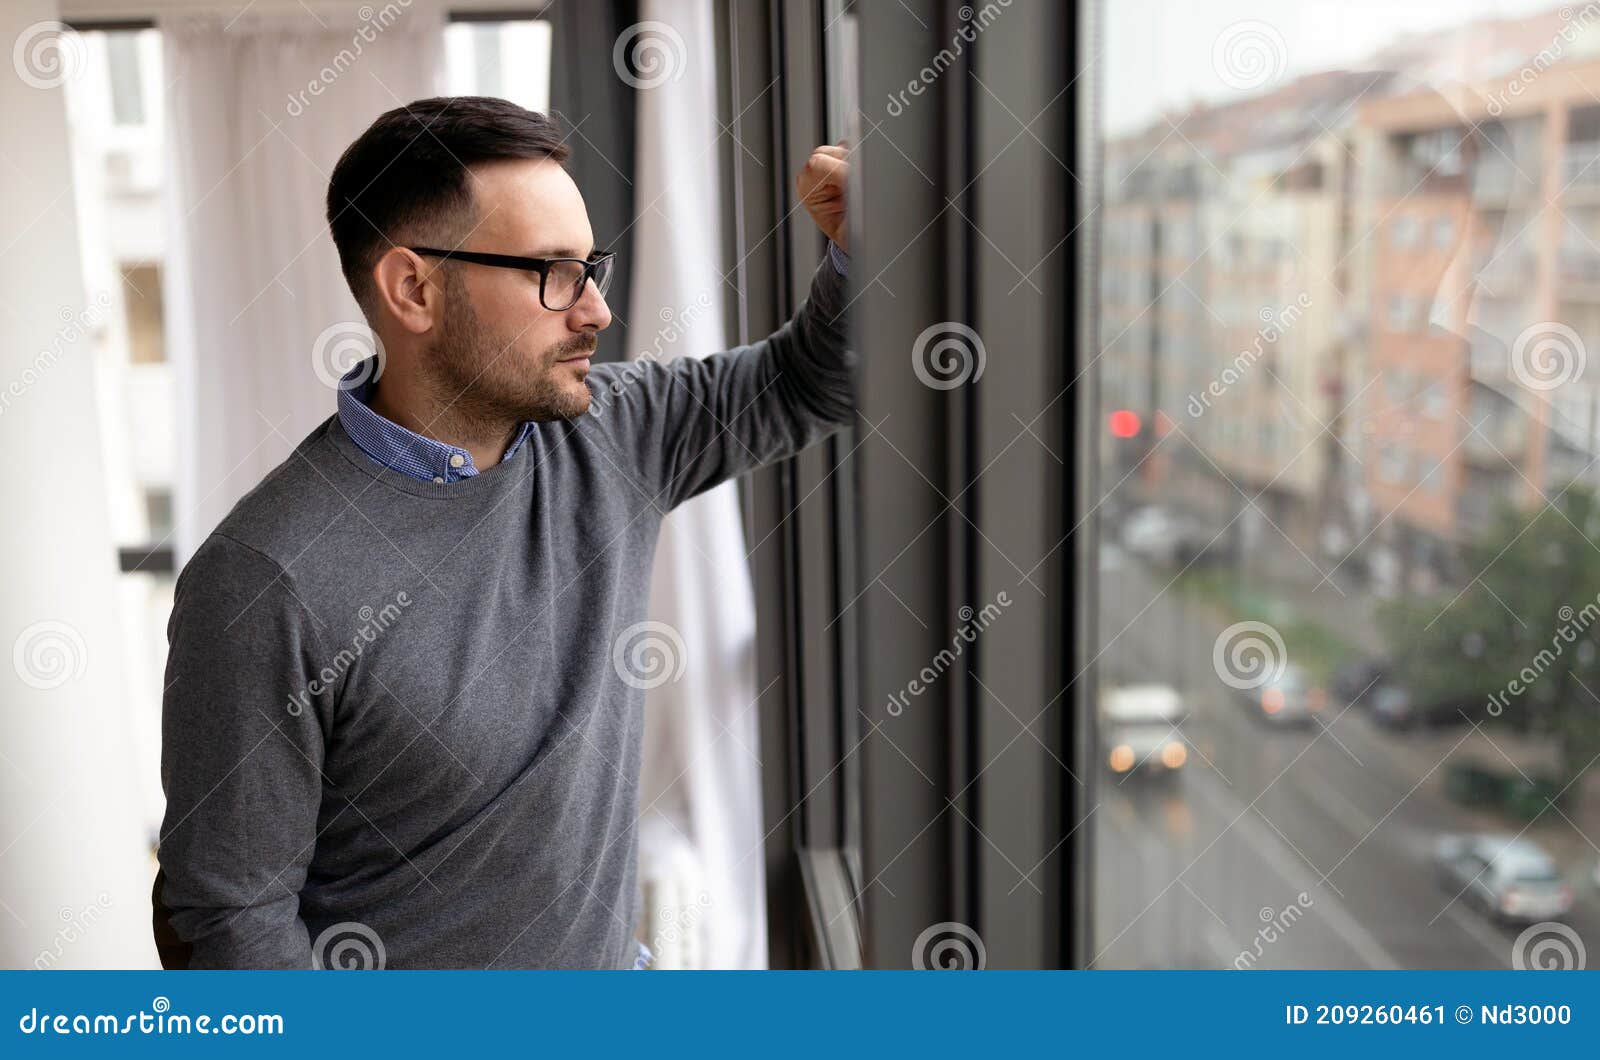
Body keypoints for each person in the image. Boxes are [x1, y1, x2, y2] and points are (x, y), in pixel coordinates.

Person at [155, 96, 854, 969]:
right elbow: (233, 922)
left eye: (590, 268)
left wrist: (861, 244)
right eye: (553, 273)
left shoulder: (614, 430)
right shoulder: (264, 579)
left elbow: (810, 383)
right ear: (413, 289)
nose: (595, 310)